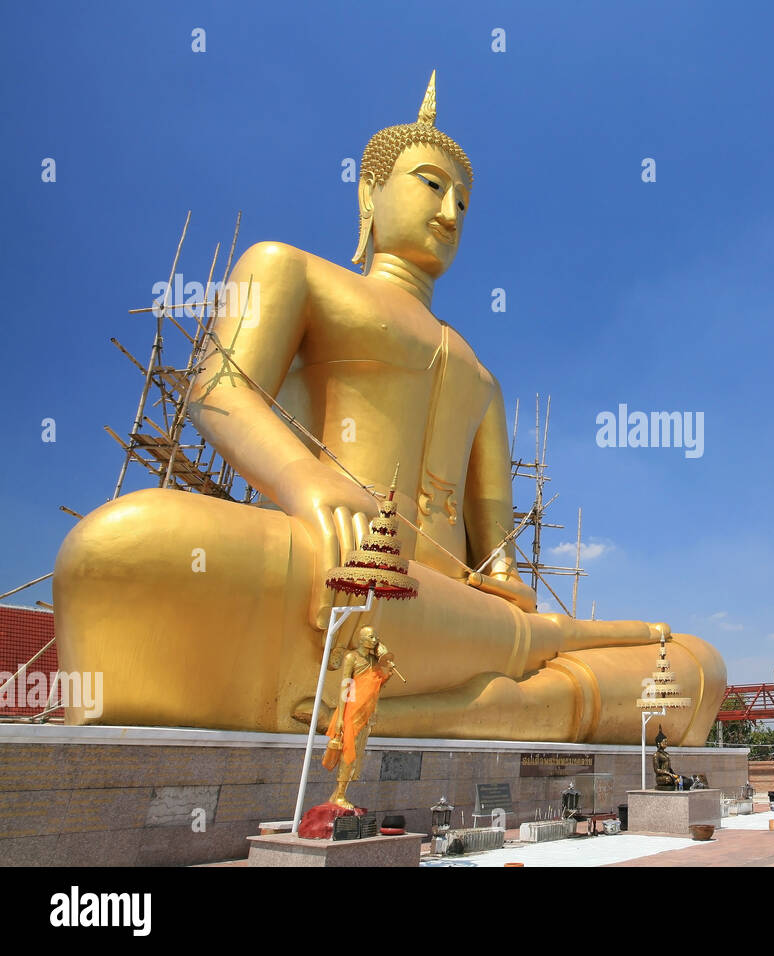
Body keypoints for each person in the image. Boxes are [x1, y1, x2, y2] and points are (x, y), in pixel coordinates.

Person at [53, 70, 726, 744]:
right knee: (120, 549)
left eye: (464, 201)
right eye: (433, 185)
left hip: (459, 614)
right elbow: (217, 393)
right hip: (339, 567)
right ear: (369, 192)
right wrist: (311, 483)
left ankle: (477, 708)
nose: (451, 212)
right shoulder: (293, 270)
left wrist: (505, 580)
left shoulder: (482, 376)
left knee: (698, 664)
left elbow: (496, 558)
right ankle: (500, 691)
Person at [323, 626, 396, 808]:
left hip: (366, 713)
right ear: (361, 639)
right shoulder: (351, 658)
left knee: (357, 756)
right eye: (371, 636)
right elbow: (345, 687)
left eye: (376, 637)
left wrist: (385, 662)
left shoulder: (373, 661)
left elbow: (377, 685)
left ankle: (338, 794)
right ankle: (339, 795)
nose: (375, 639)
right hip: (352, 711)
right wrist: (340, 716)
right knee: (349, 753)